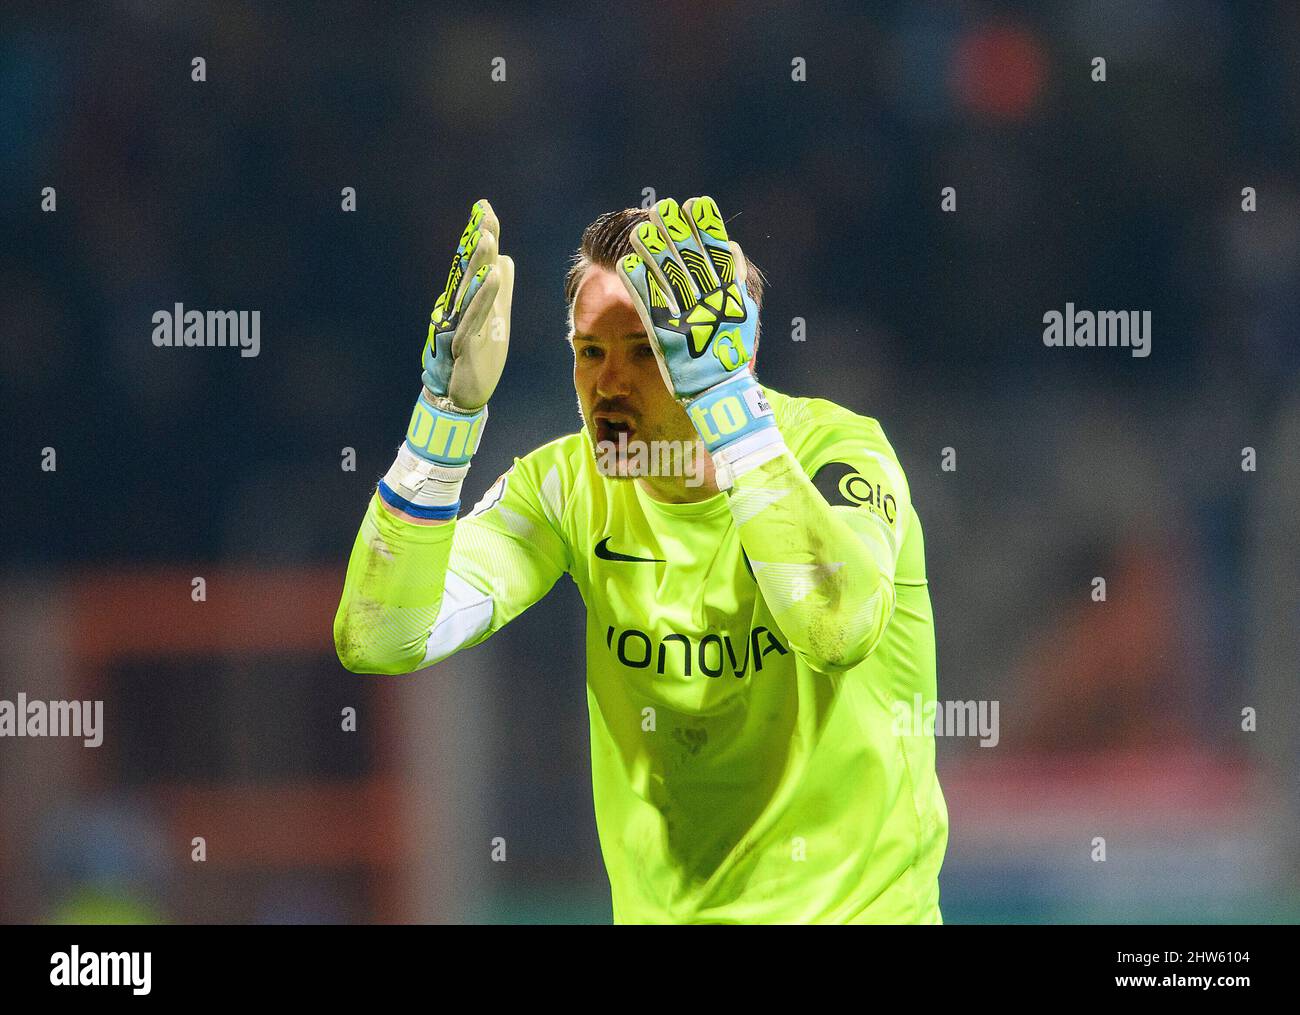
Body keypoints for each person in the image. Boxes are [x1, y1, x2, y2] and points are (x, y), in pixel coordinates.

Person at [334, 196, 948, 923]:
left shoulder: (840, 454)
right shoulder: (566, 487)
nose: (609, 384)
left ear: (732, 353)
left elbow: (835, 628)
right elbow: (380, 636)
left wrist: (726, 403)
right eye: (590, 350)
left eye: (646, 352)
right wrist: (443, 421)